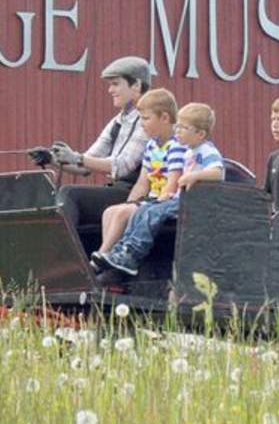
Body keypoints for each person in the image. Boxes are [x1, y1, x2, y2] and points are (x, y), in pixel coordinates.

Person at [96, 103, 224, 279]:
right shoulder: (189, 152)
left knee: (153, 213)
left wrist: (193, 177)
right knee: (142, 210)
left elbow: (218, 172)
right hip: (180, 199)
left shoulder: (206, 150)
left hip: (195, 204)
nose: (177, 131)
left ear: (200, 134)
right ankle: (122, 251)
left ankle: (134, 253)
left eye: (184, 128)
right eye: (177, 126)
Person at [30, 56, 154, 187]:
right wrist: (52, 159)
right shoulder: (117, 122)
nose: (110, 90)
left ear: (136, 85)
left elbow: (123, 166)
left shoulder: (147, 120)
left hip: (138, 193)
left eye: (115, 84)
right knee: (68, 193)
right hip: (118, 188)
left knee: (70, 193)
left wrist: (76, 158)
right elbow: (85, 166)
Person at [93, 89, 178, 263]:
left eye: (146, 119)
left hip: (166, 203)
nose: (142, 124)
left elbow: (174, 182)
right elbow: (142, 184)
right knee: (110, 212)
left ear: (164, 118)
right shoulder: (152, 146)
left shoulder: (179, 145)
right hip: (151, 198)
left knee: (122, 213)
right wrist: (130, 203)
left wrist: (133, 208)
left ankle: (100, 259)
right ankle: (111, 259)